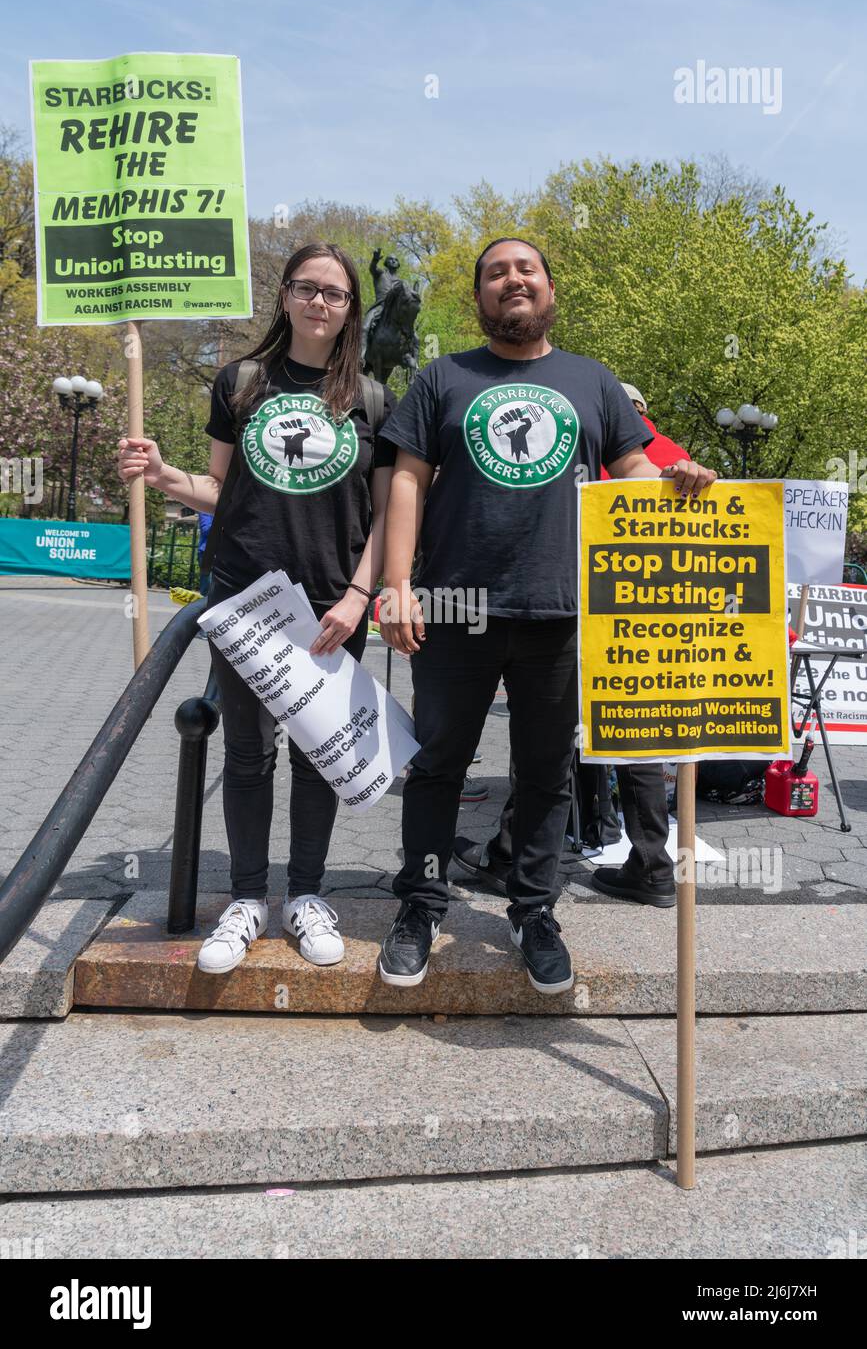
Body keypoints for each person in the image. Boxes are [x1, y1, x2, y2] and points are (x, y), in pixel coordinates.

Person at [376, 239, 716, 993]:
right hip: (453, 606)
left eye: (524, 269)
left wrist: (676, 477)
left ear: (549, 289)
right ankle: (422, 903)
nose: (511, 280)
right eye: (495, 273)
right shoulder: (442, 377)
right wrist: (395, 583)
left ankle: (533, 910)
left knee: (544, 773)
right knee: (436, 768)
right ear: (479, 299)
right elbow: (406, 480)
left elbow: (628, 469)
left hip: (561, 608)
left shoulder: (591, 381)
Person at [117, 242, 397, 974]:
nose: (318, 303)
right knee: (246, 753)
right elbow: (220, 490)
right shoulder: (240, 382)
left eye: (333, 294)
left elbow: (387, 517)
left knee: (318, 755)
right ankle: (246, 899)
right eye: (306, 288)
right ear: (284, 296)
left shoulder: (370, 400)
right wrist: (164, 475)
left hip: (334, 606)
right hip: (247, 601)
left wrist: (361, 595)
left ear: (348, 311)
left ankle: (305, 895)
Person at [454, 382, 696, 906]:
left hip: (573, 615)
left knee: (548, 736)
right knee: (639, 742)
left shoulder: (581, 443)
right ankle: (653, 865)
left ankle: (508, 855)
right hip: (649, 625)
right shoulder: (673, 457)